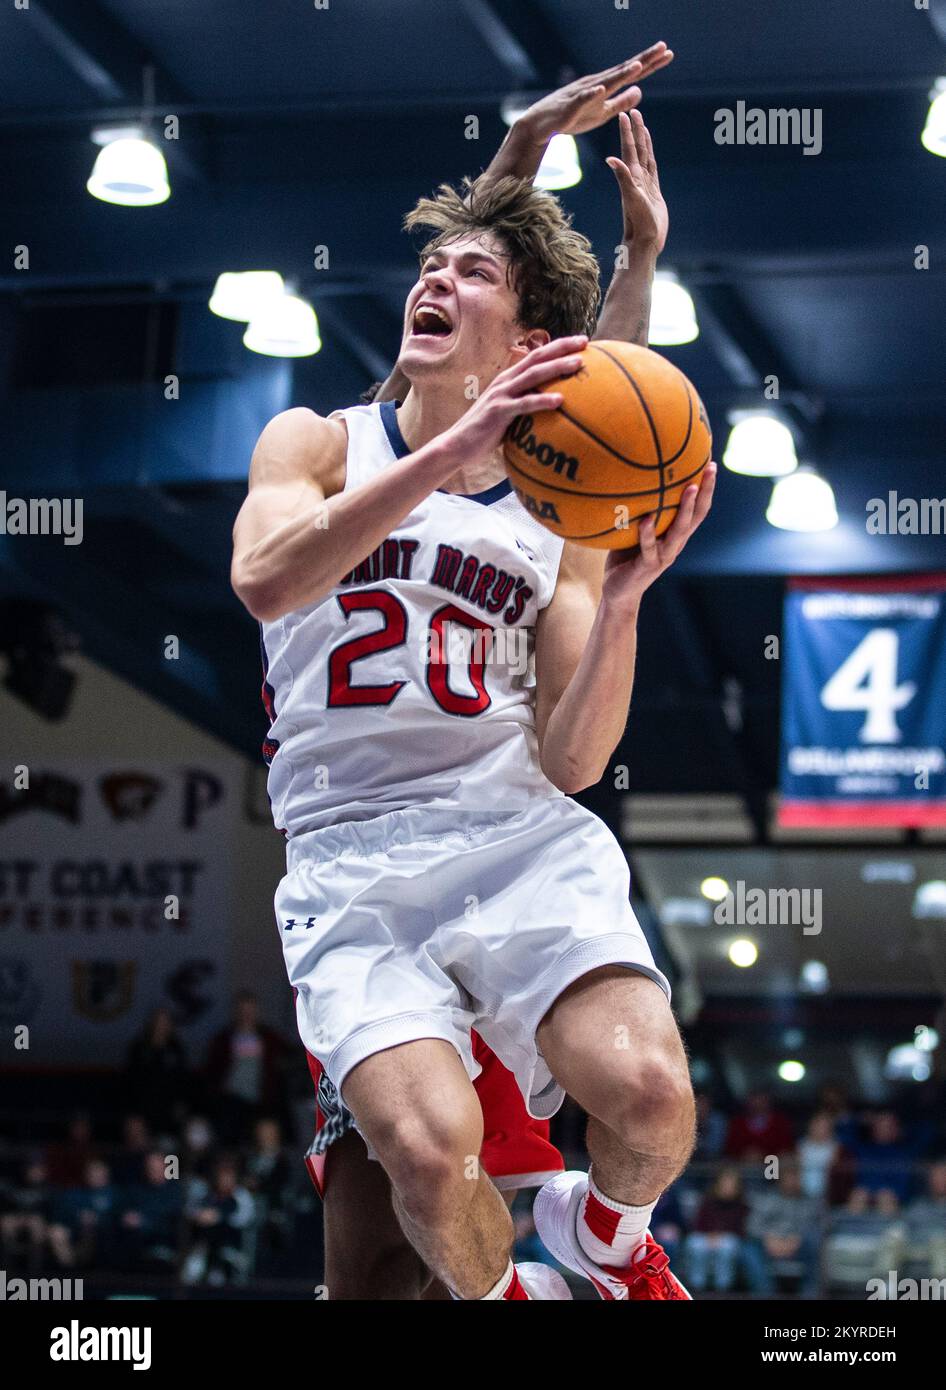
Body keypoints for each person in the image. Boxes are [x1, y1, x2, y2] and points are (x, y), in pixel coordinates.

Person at [232, 54, 715, 1300]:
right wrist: (517, 153)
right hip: (349, 857)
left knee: (656, 1099)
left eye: (467, 273)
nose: (432, 280)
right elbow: (270, 580)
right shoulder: (324, 440)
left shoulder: (546, 515)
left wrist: (637, 273)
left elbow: (598, 403)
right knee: (407, 1203)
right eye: (425, 268)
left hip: (507, 837)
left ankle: (603, 1242)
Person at [683, 1166, 748, 1293]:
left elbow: (740, 1229)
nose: (727, 1188)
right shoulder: (707, 1201)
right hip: (706, 1236)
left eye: (731, 1185)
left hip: (729, 1238)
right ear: (717, 1184)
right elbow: (697, 1225)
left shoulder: (741, 1205)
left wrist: (720, 1236)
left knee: (726, 1247)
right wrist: (710, 1236)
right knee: (695, 1244)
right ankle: (697, 1288)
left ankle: (722, 1289)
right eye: (725, 1184)